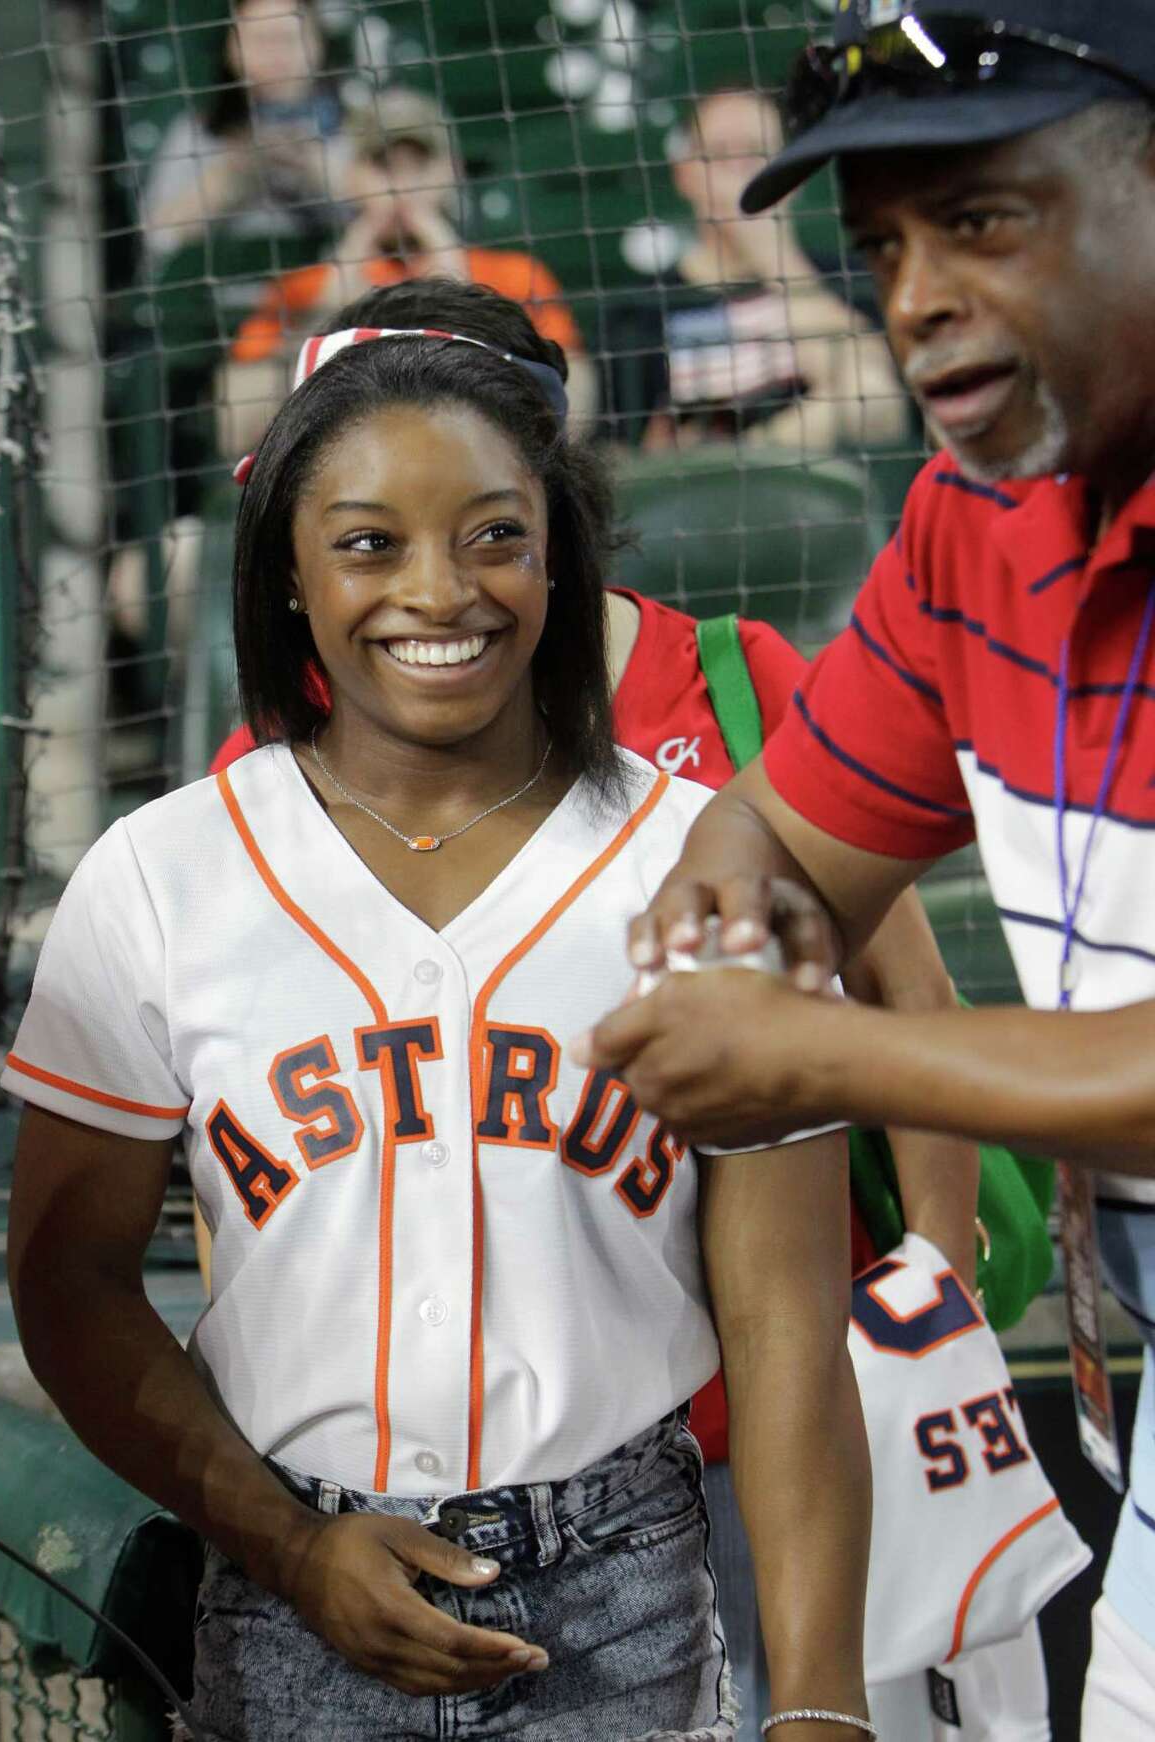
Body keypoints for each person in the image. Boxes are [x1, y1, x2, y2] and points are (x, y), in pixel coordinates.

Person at [4, 279, 872, 1742]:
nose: (439, 590)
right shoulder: (160, 877)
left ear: (556, 554)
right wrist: (286, 1542)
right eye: (367, 544)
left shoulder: (698, 862)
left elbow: (788, 1318)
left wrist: (826, 1710)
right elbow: (68, 1279)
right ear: (288, 570)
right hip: (291, 1581)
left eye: (495, 537)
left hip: (625, 1585)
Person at [572, 5, 1155, 1736]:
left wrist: (811, 1055)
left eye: (983, 221)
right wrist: (719, 906)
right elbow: (779, 827)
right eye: (885, 244)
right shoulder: (980, 518)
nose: (913, 298)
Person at [218, 87, 595, 462]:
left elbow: (576, 413)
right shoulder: (303, 288)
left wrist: (465, 301)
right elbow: (234, 429)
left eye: (419, 165)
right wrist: (324, 318)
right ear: (353, 177)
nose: (402, 185)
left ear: (451, 171)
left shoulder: (513, 274)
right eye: (384, 166)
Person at [597, 87, 908, 453]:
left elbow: (879, 412)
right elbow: (618, 454)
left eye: (756, 154)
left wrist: (772, 254)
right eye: (721, 154)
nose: (740, 173)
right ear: (684, 174)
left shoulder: (849, 277)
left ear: (793, 175)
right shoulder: (638, 311)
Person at [140, 0, 345, 261]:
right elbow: (157, 238)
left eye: (288, 38)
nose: (276, 55)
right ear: (232, 48)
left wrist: (318, 172)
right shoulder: (197, 132)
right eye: (261, 40)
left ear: (318, 43)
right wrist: (235, 171)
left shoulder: (356, 123)